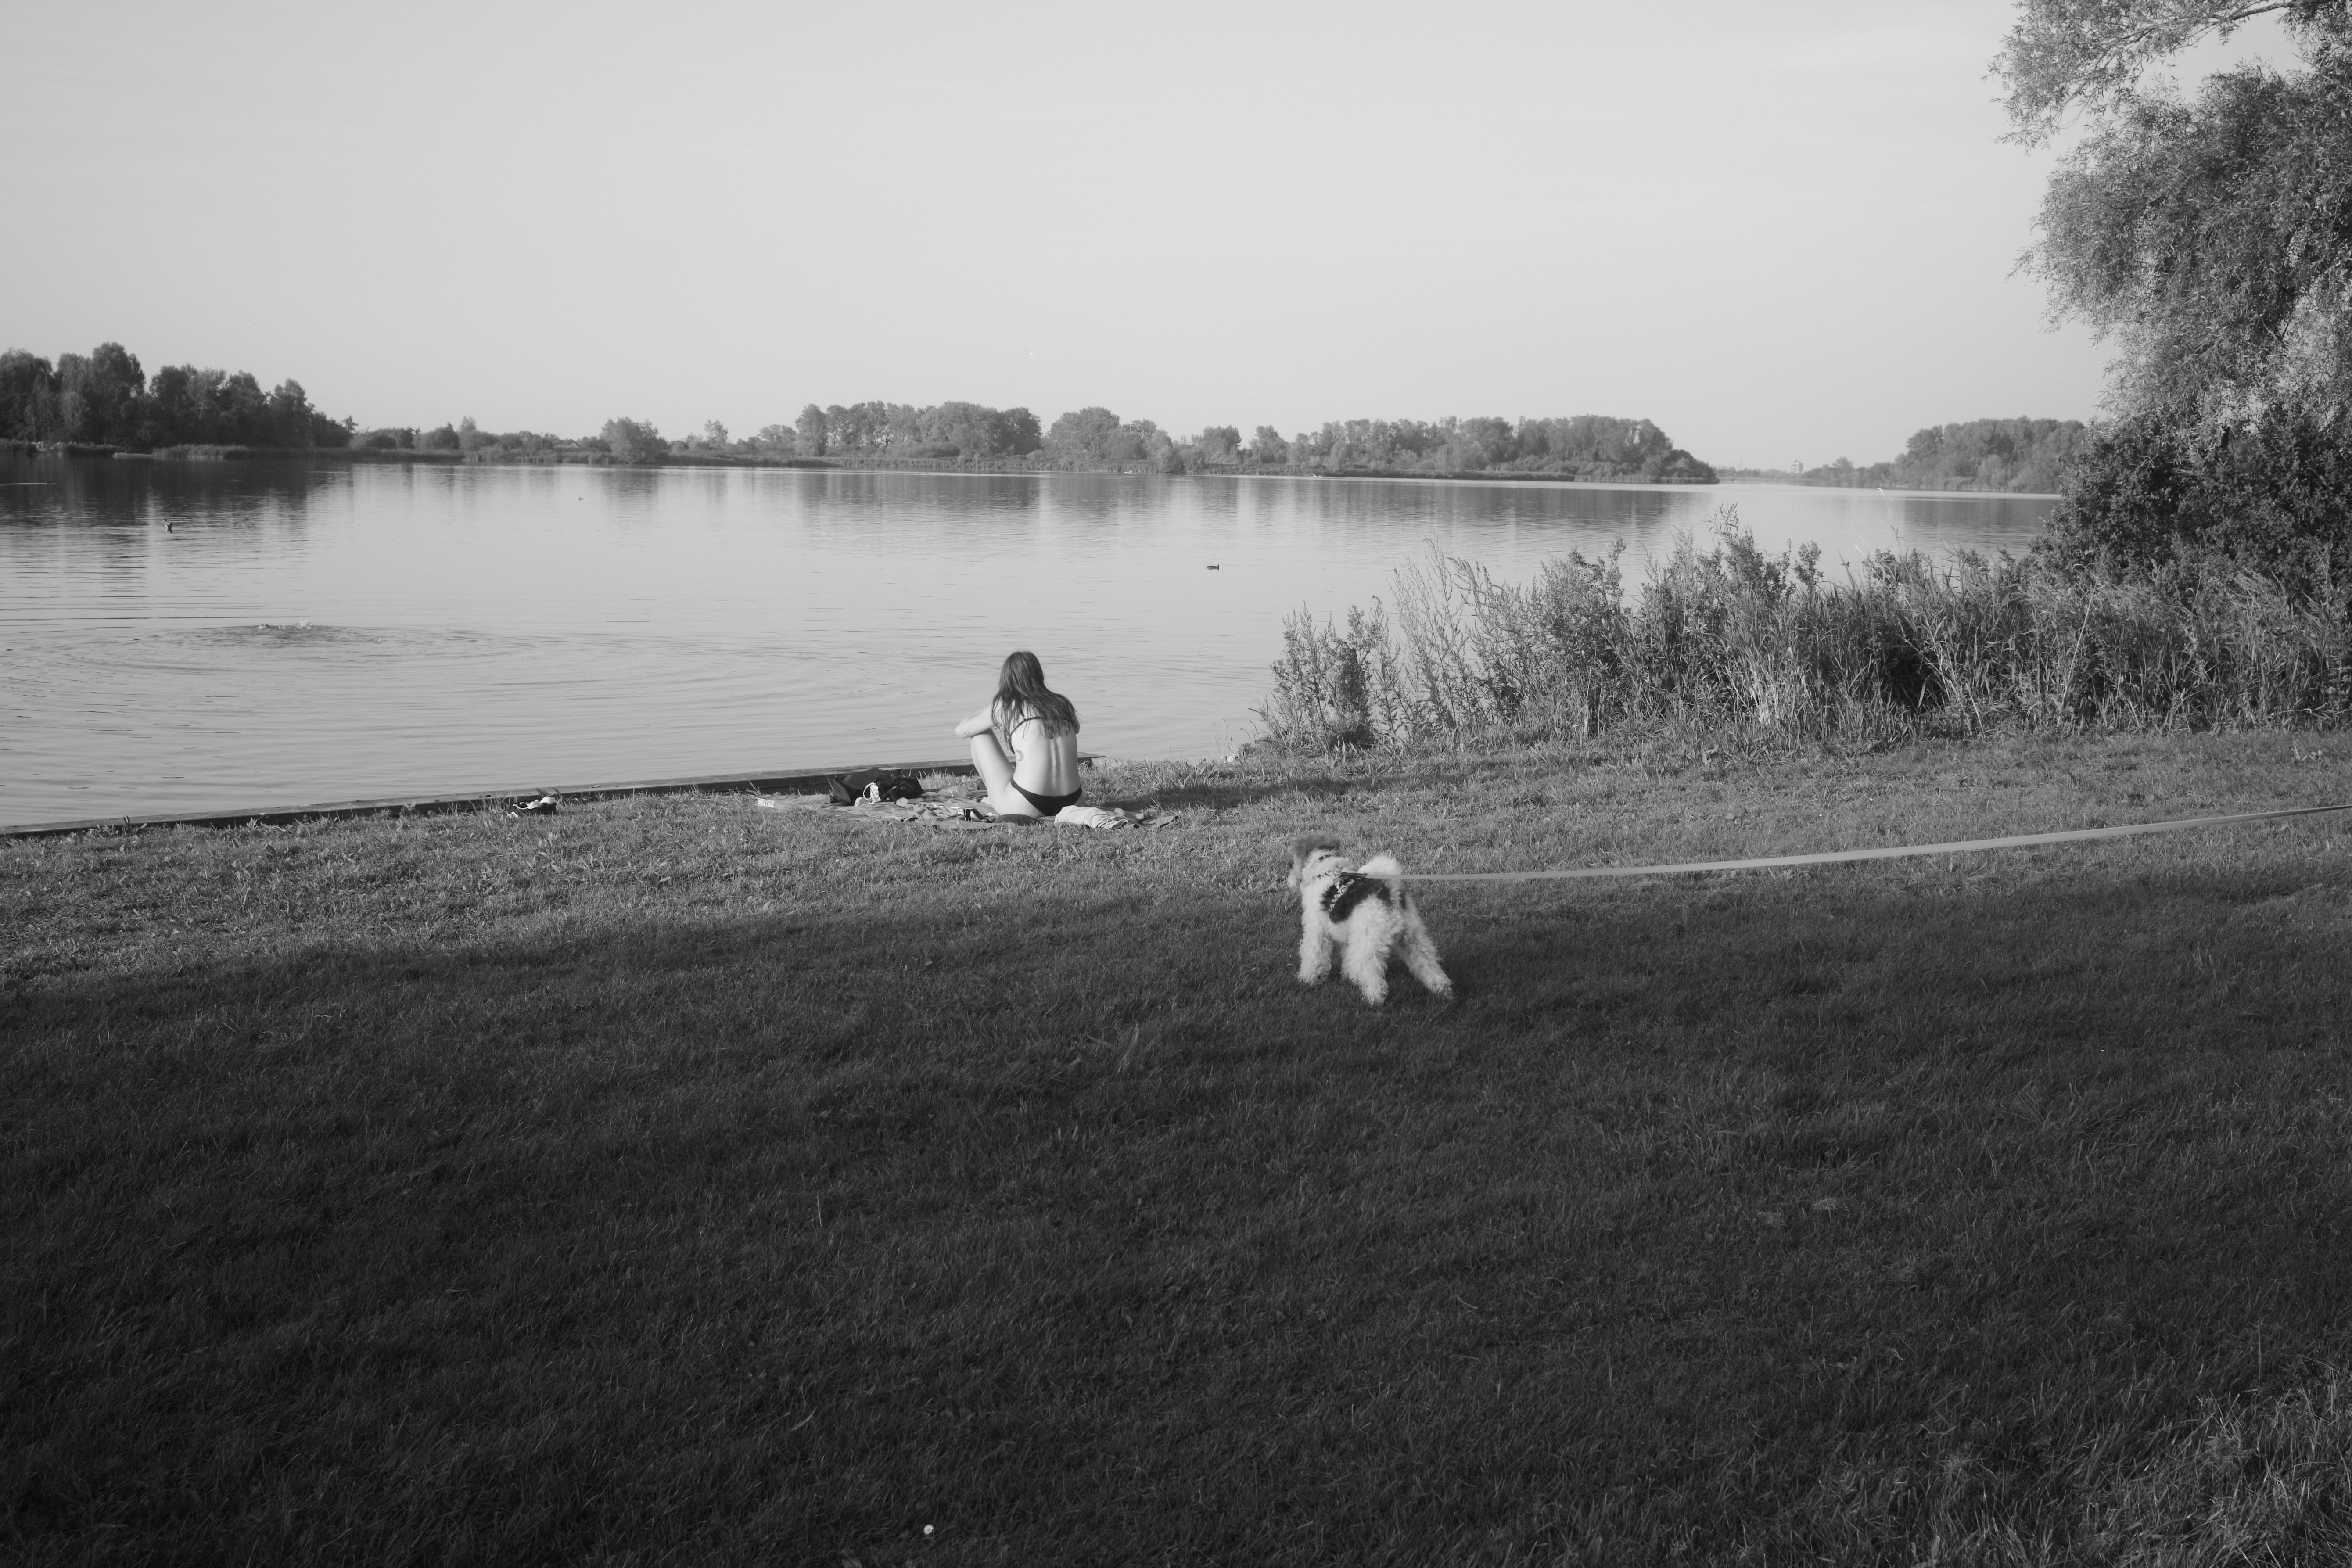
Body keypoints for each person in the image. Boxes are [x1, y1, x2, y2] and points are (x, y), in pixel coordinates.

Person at [954, 650, 1082, 818]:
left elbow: (962, 731)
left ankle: (995, 796)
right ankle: (1001, 795)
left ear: (1007, 678)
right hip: (1074, 803)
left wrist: (992, 709)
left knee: (979, 735)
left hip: (1025, 805)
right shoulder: (1062, 704)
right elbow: (1077, 728)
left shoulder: (1007, 706)